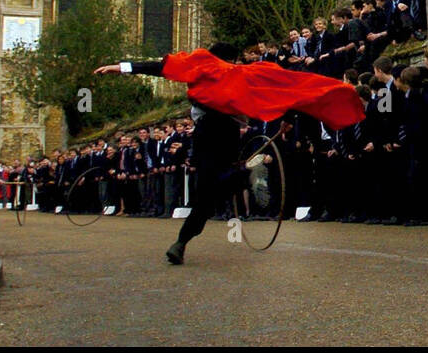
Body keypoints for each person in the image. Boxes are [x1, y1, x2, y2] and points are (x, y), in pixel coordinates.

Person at [93, 43, 365, 264]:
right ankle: (239, 180)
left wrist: (122, 67)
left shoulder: (203, 64)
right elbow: (289, 88)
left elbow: (161, 67)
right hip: (229, 133)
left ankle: (183, 241)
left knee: (205, 190)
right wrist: (289, 117)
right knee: (214, 187)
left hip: (207, 132)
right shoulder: (246, 73)